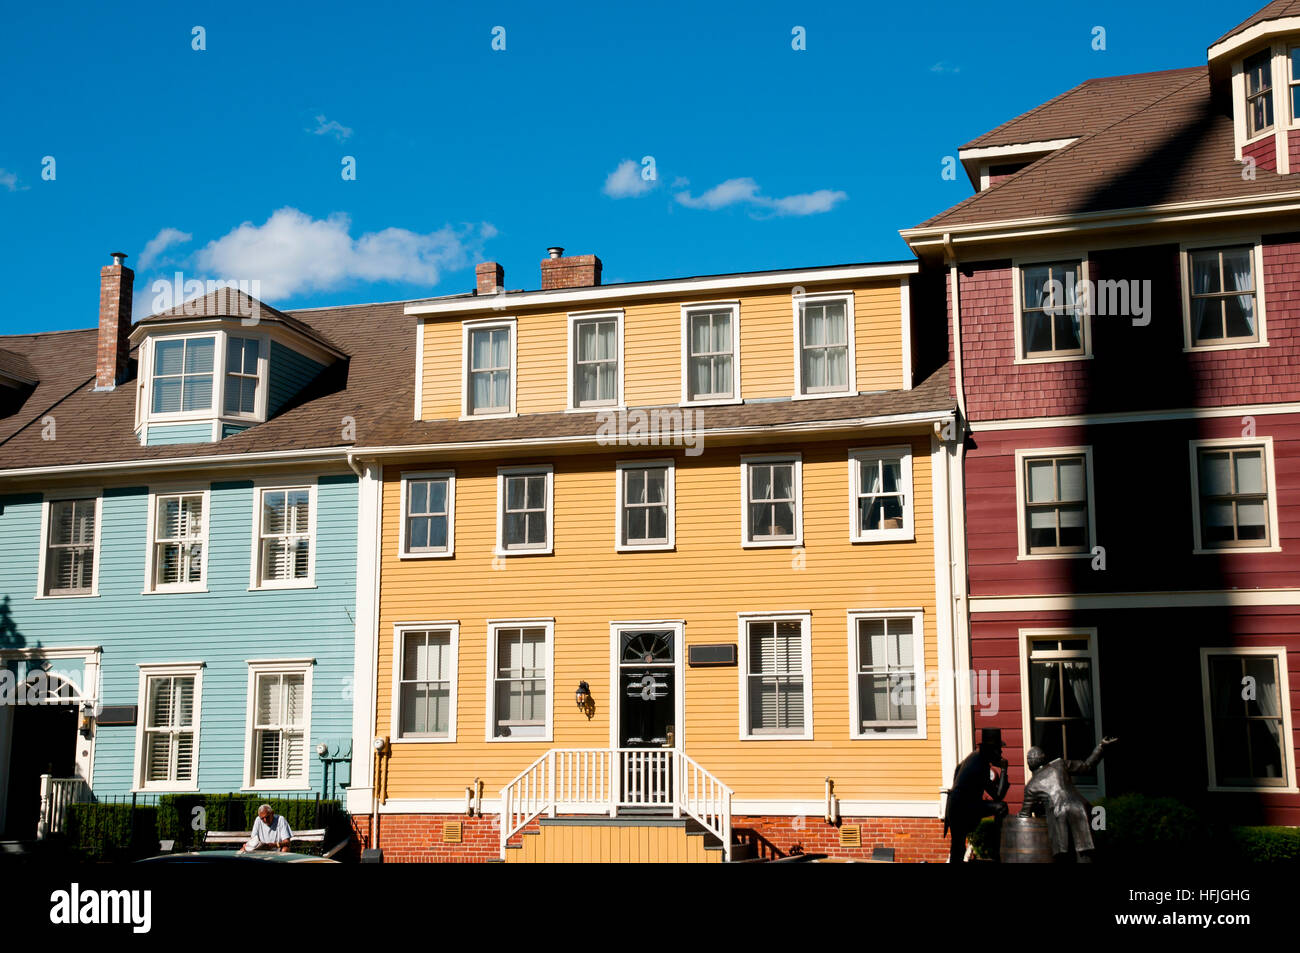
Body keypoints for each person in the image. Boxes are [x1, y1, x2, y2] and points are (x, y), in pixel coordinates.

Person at [1018, 737, 1117, 863]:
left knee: (1065, 855)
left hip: (1059, 818)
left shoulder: (1031, 786)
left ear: (1029, 763)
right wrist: (1101, 747)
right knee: (1085, 851)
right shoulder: (1059, 764)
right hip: (1080, 808)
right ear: (1043, 758)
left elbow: (1024, 815)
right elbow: (1087, 766)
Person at [943, 727, 1010, 863]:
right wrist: (1003, 769)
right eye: (998, 749)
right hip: (963, 808)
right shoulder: (980, 764)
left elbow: (957, 772)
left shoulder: (973, 757)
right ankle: (998, 851)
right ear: (991, 750)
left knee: (958, 847)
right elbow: (998, 795)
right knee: (1001, 807)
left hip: (955, 805)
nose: (1001, 752)